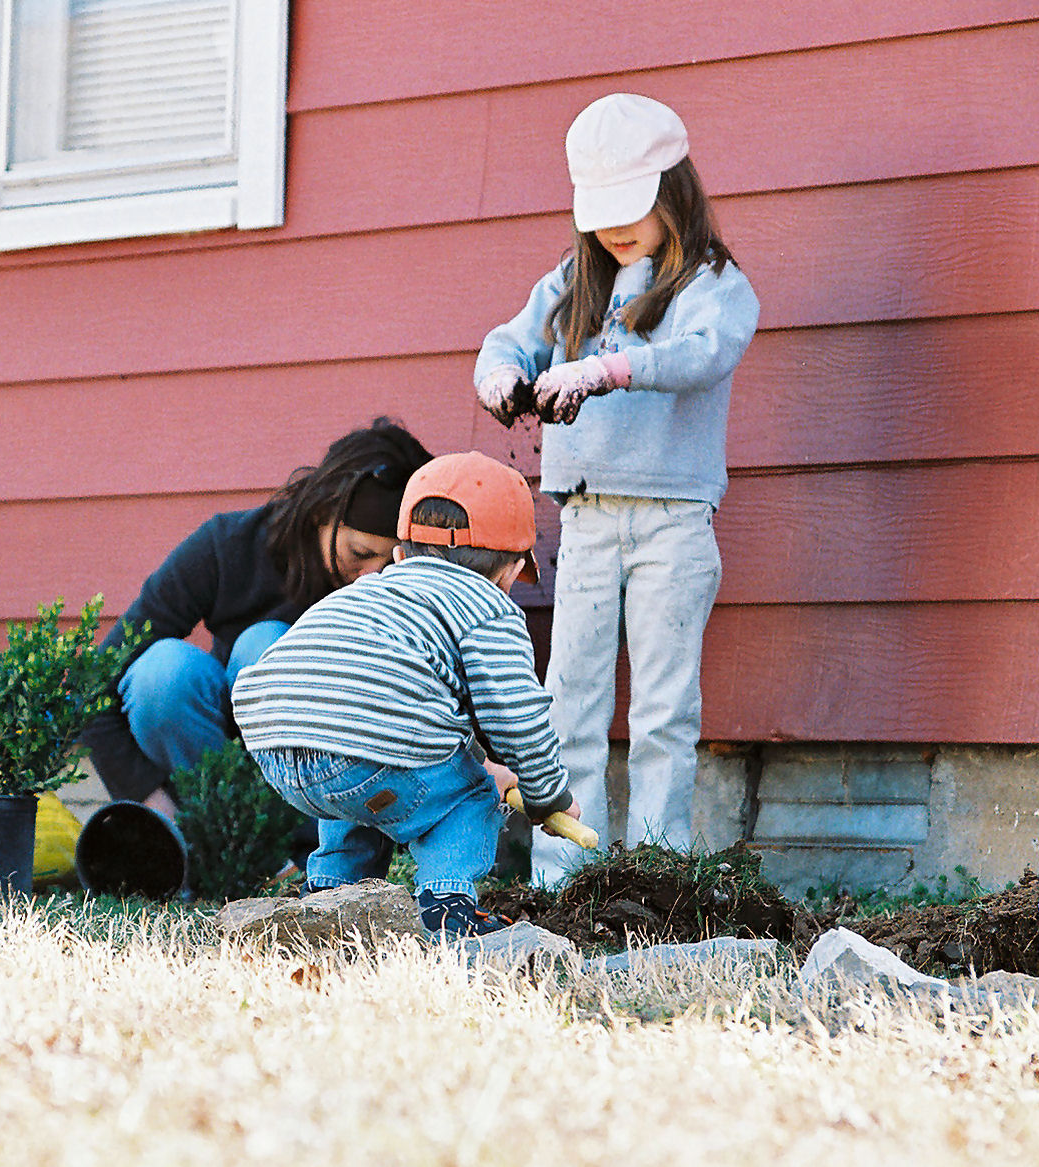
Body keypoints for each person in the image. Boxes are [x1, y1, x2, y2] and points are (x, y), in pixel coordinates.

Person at [474, 93, 760, 887]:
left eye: (630, 207)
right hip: (588, 518)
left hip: (672, 518)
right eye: (600, 211)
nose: (614, 227)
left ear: (674, 190)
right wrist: (501, 374)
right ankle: (563, 877)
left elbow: (704, 352)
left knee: (664, 707)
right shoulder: (575, 281)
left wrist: (608, 369)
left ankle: (658, 877)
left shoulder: (712, 283)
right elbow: (506, 340)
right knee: (568, 699)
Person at [231, 452, 581, 936]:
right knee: (469, 795)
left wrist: (474, 757)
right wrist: (546, 794)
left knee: (355, 774)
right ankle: (447, 910)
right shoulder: (488, 607)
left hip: (277, 742)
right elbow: (515, 714)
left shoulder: (370, 591)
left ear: (400, 553)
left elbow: (410, 704)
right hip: (363, 749)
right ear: (509, 571)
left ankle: (330, 897)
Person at [79, 419, 434, 837]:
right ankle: (210, 844)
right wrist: (152, 805)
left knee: (266, 645)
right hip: (208, 770)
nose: (374, 575)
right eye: (360, 552)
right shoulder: (230, 544)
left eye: (392, 561)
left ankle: (289, 854)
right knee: (165, 674)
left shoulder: (406, 589)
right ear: (322, 510)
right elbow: (94, 685)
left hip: (320, 799)